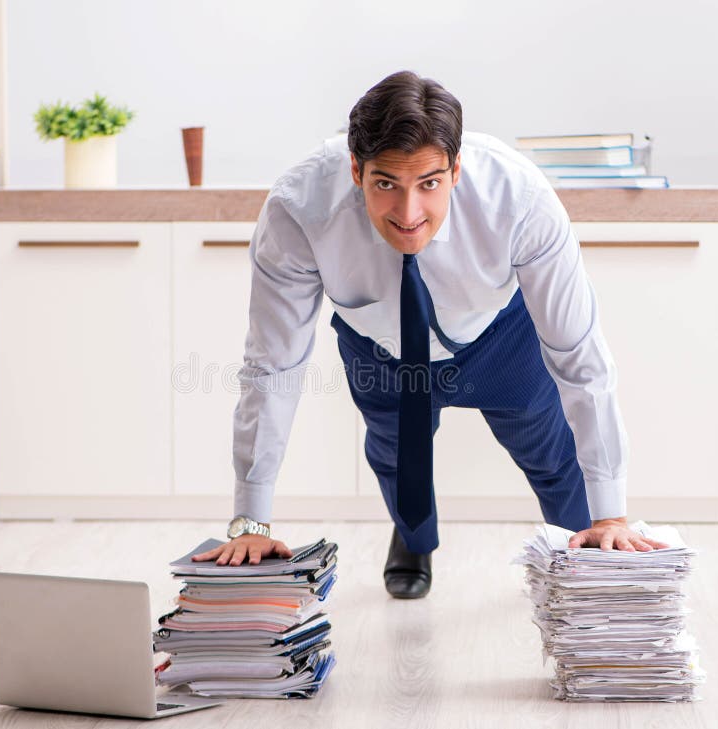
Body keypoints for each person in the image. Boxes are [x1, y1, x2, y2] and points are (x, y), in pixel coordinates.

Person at [193, 71, 668, 596]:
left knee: (553, 455)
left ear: (456, 169)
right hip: (379, 347)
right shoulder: (299, 209)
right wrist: (252, 520)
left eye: (429, 183)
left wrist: (610, 515)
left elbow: (580, 356)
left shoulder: (520, 199)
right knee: (397, 459)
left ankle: (583, 562)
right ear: (356, 169)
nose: (408, 213)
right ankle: (414, 537)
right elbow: (273, 365)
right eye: (385, 184)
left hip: (499, 336)